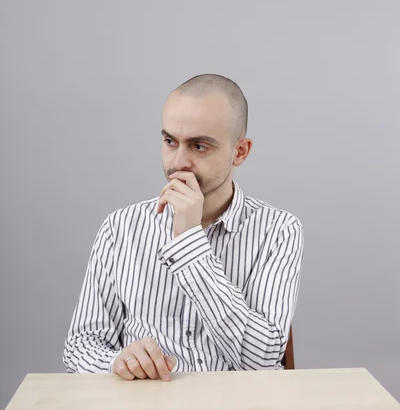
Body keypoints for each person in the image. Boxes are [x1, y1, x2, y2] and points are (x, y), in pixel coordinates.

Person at [63, 74, 304, 382]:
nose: (178, 162)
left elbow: (261, 361)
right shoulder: (120, 228)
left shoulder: (279, 230)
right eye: (170, 142)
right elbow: (79, 348)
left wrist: (190, 242)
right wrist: (117, 362)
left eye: (200, 146)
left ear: (239, 152)